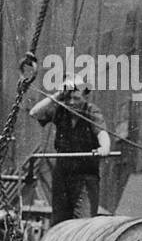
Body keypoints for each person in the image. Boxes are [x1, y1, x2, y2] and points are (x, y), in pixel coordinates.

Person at [29, 79, 111, 226]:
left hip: (86, 176)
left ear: (85, 96)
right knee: (60, 223)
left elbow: (102, 133)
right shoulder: (60, 110)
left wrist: (104, 147)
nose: (72, 102)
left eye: (76, 98)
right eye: (69, 98)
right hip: (62, 175)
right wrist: (59, 94)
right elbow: (34, 112)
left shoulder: (92, 111)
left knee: (83, 223)